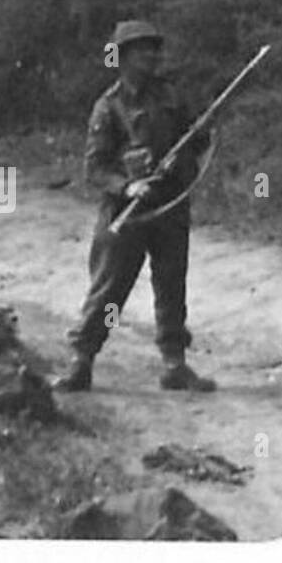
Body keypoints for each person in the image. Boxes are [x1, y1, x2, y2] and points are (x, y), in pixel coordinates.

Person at [52, 20, 215, 393]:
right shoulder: (108, 107)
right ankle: (82, 362)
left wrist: (191, 145)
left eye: (154, 49)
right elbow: (94, 167)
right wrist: (128, 186)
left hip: (169, 207)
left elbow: (199, 139)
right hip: (126, 214)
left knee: (171, 284)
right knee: (111, 289)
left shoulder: (173, 97)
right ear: (123, 57)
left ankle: (175, 364)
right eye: (142, 50)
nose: (152, 56)